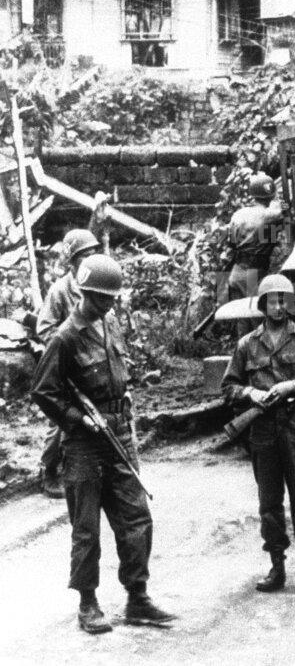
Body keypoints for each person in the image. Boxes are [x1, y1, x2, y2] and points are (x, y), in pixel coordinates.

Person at [30, 254, 175, 634]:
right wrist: (78, 419)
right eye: (102, 298)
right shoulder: (64, 338)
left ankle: (138, 598)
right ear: (84, 293)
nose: (109, 304)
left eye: (112, 298)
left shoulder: (109, 323)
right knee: (87, 529)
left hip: (119, 435)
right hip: (83, 445)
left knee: (136, 518)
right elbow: (43, 391)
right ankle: (88, 603)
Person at [221, 274, 295, 599]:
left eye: (284, 300)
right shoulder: (247, 344)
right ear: (263, 304)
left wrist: (292, 386)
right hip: (262, 429)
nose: (279, 306)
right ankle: (277, 567)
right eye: (273, 300)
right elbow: (228, 387)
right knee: (269, 502)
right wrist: (251, 393)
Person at [35, 229, 101, 499]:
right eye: (84, 256)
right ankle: (48, 469)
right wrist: (67, 344)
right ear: (71, 261)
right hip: (67, 366)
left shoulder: (96, 285)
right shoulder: (61, 290)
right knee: (60, 420)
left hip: (93, 363)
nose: (90, 260)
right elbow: (44, 328)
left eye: (93, 254)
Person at [227, 173, 283, 303]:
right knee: (256, 312)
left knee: (238, 313)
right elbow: (285, 209)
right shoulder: (272, 215)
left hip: (236, 273)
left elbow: (232, 243)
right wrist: (282, 200)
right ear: (271, 196)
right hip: (254, 275)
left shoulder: (238, 214)